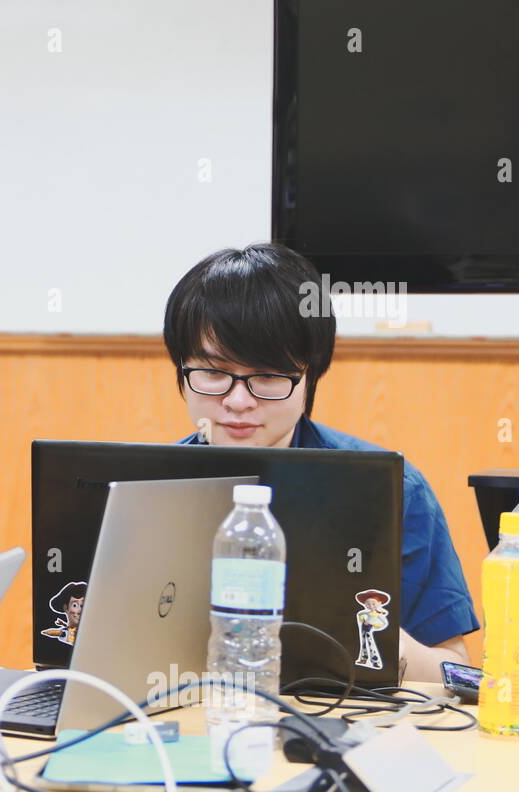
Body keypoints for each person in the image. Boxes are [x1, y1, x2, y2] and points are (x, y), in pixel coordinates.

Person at [161, 243, 479, 681]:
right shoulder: (144, 490)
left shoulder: (393, 488)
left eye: (268, 376)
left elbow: (455, 669)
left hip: (342, 722)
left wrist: (372, 640)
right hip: (179, 722)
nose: (237, 401)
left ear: (310, 375)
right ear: (182, 370)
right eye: (213, 373)